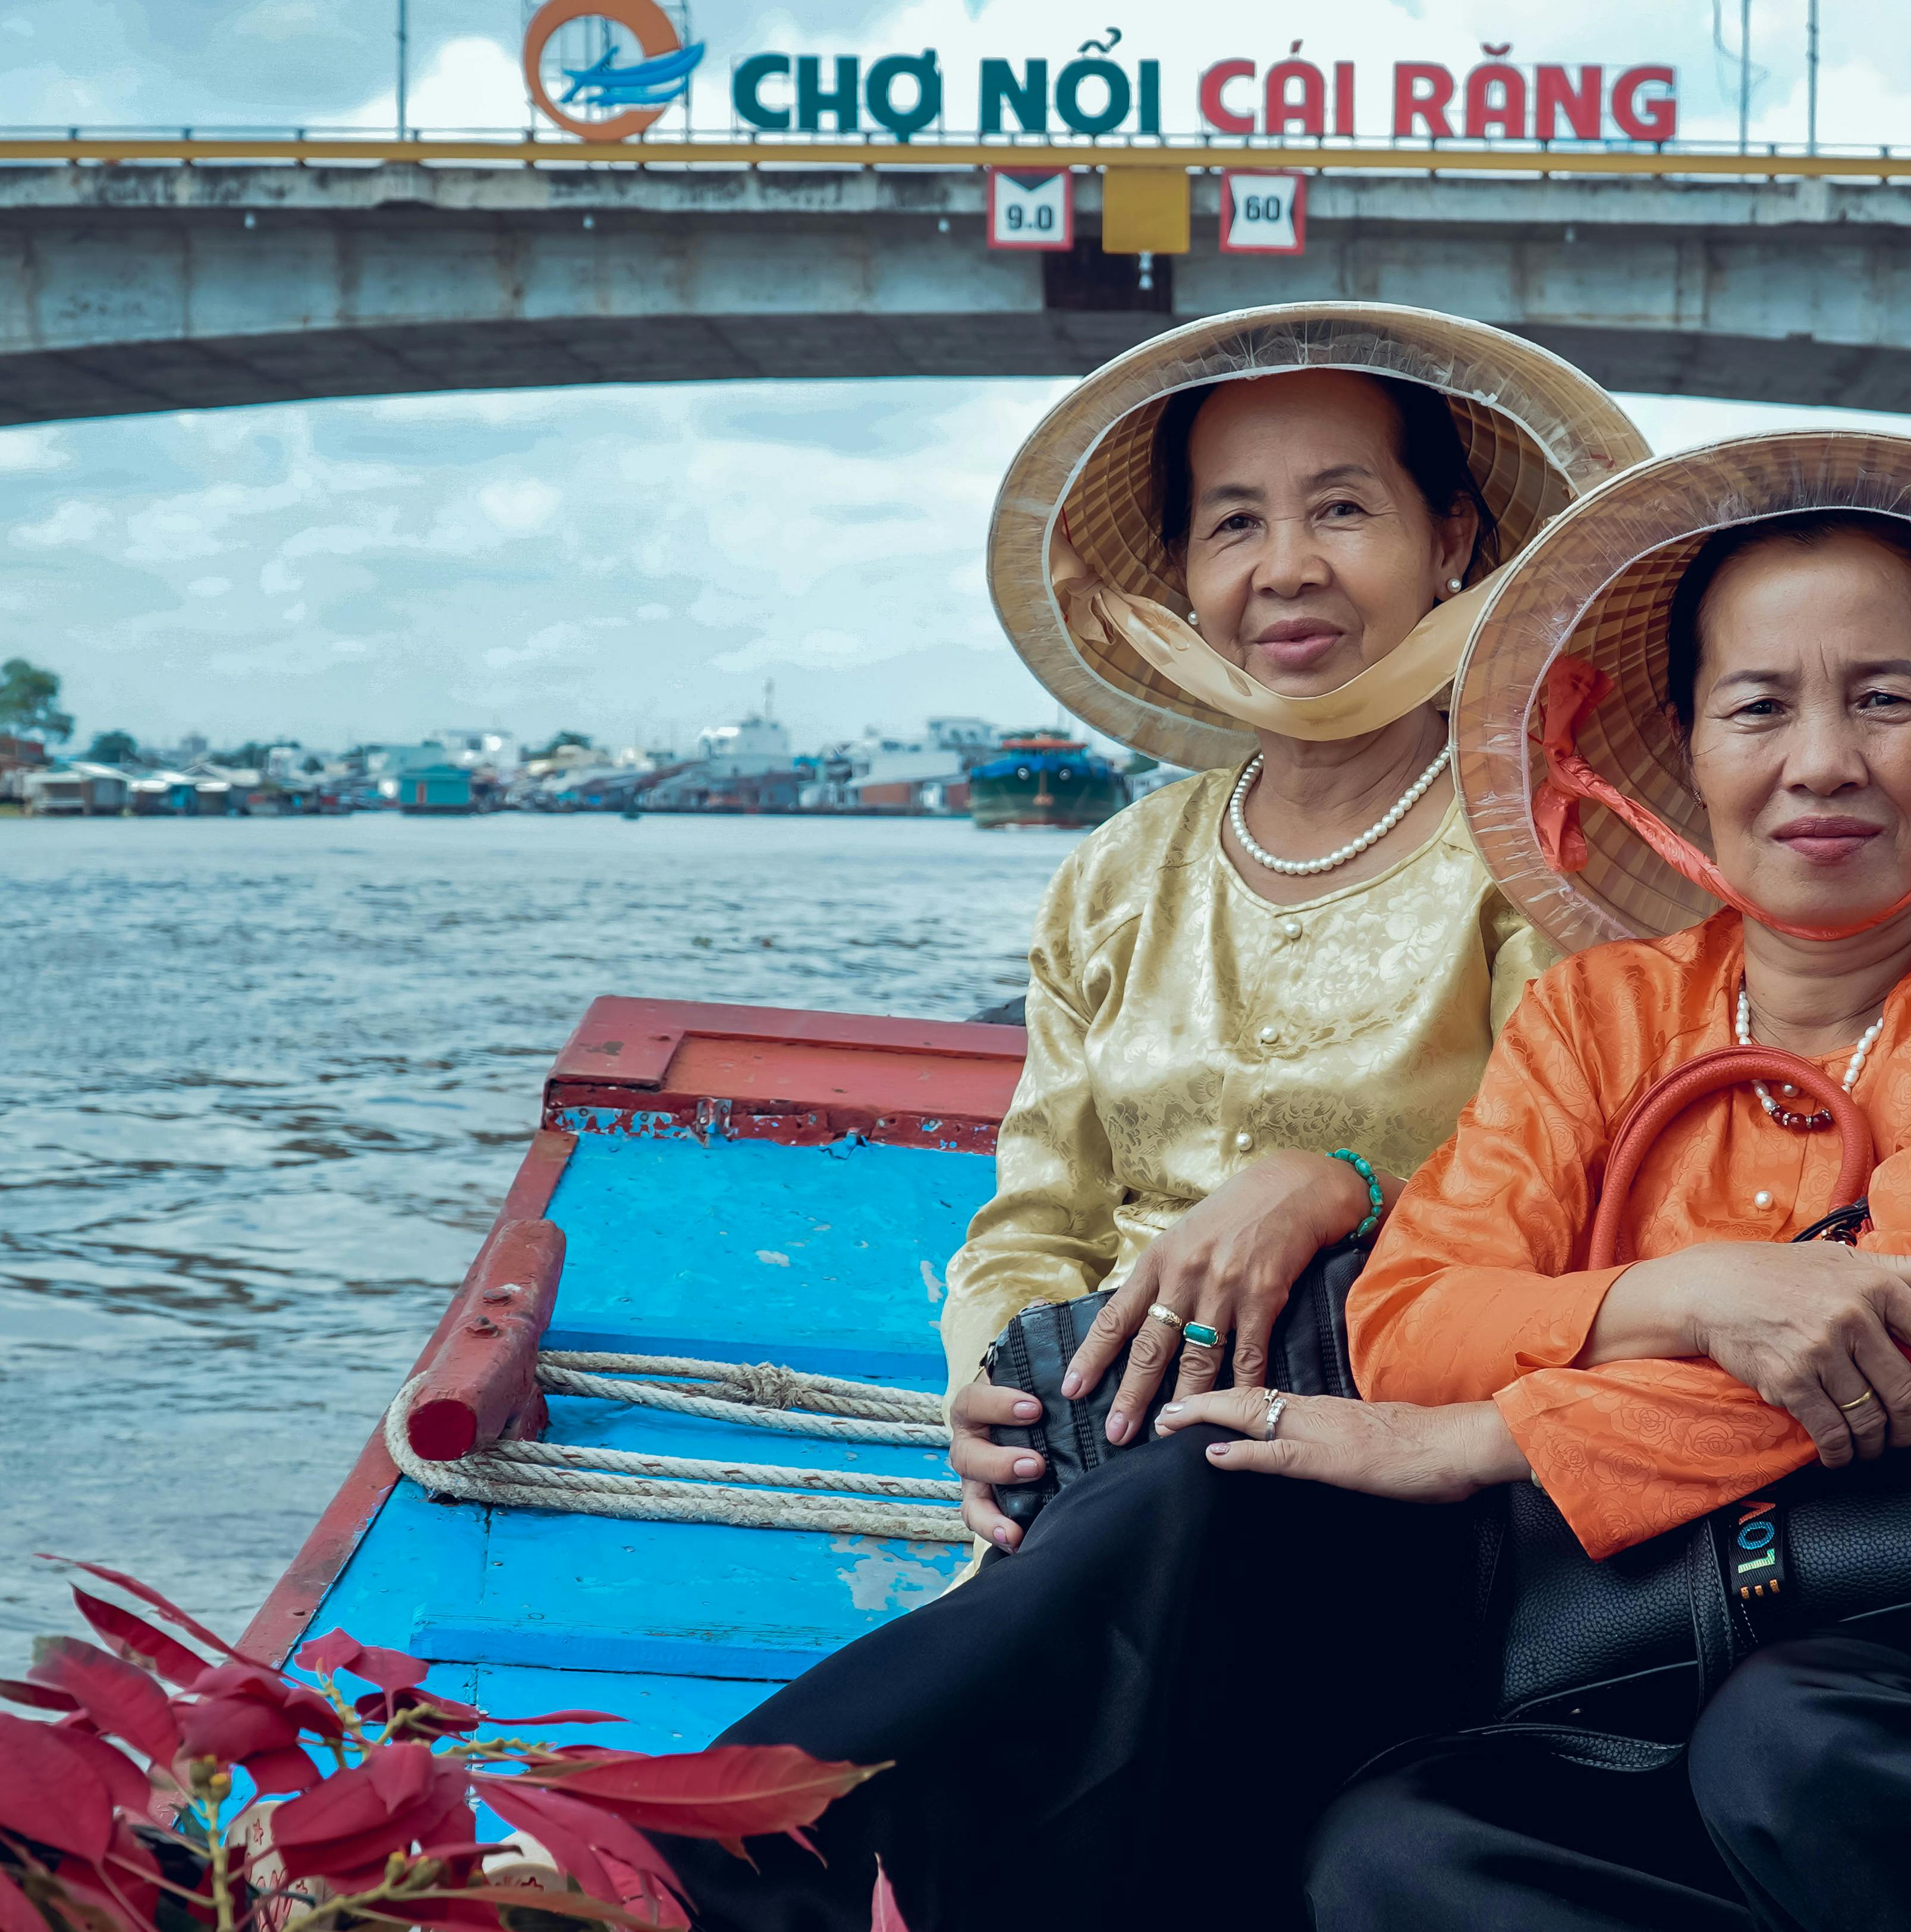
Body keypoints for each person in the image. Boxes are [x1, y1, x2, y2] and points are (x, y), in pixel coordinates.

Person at [1160, 430, 1911, 1930]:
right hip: (1660, 1607)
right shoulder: (1593, 1015)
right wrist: (1688, 1292)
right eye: (1759, 705)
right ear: (1688, 746)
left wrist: (1481, 1441)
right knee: (1402, 1843)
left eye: (1884, 698)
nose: (1822, 760)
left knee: (1798, 1741)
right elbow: (1413, 1317)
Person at [655, 304, 1649, 1932]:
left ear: (1449, 536)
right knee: (1147, 1465)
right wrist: (980, 1385)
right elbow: (1035, 1216)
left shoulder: (1536, 856)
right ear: (1184, 576)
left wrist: (1336, 1185)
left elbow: (1595, 1194)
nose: (1288, 569)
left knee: (1198, 1465)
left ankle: (724, 1829)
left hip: (1401, 1476)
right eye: (1233, 524)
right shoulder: (1118, 876)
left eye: (1342, 507)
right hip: (1100, 1466)